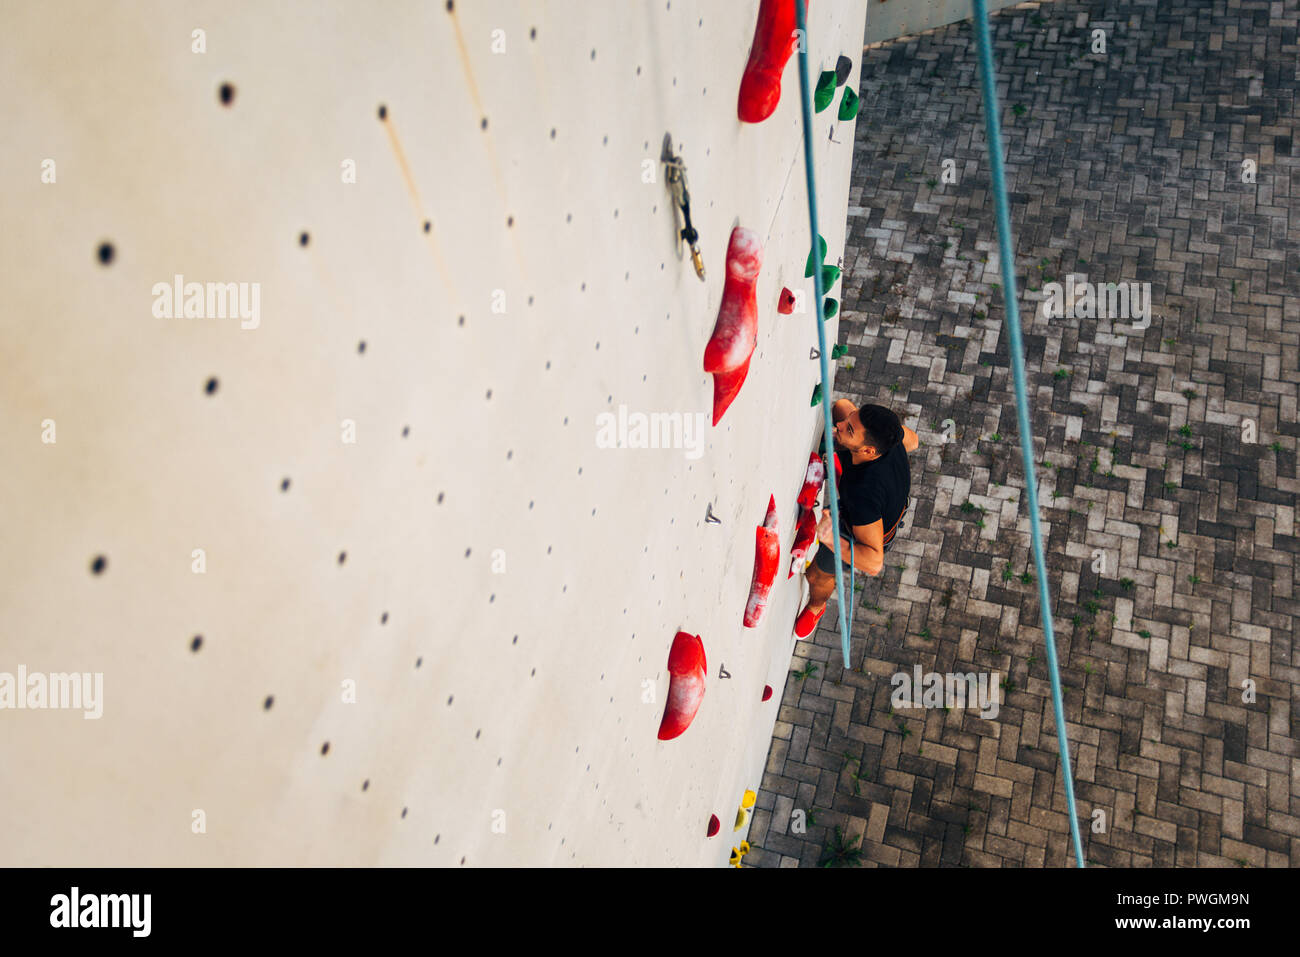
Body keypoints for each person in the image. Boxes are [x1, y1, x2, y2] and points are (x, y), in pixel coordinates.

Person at [794, 401, 918, 638]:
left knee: (817, 575)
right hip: (883, 503)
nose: (838, 425)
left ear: (869, 451)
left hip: (860, 534)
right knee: (840, 405)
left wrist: (831, 540)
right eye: (849, 420)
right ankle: (844, 448)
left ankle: (816, 607)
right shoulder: (891, 436)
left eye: (848, 429)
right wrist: (848, 422)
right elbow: (914, 441)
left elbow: (873, 563)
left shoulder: (864, 494)